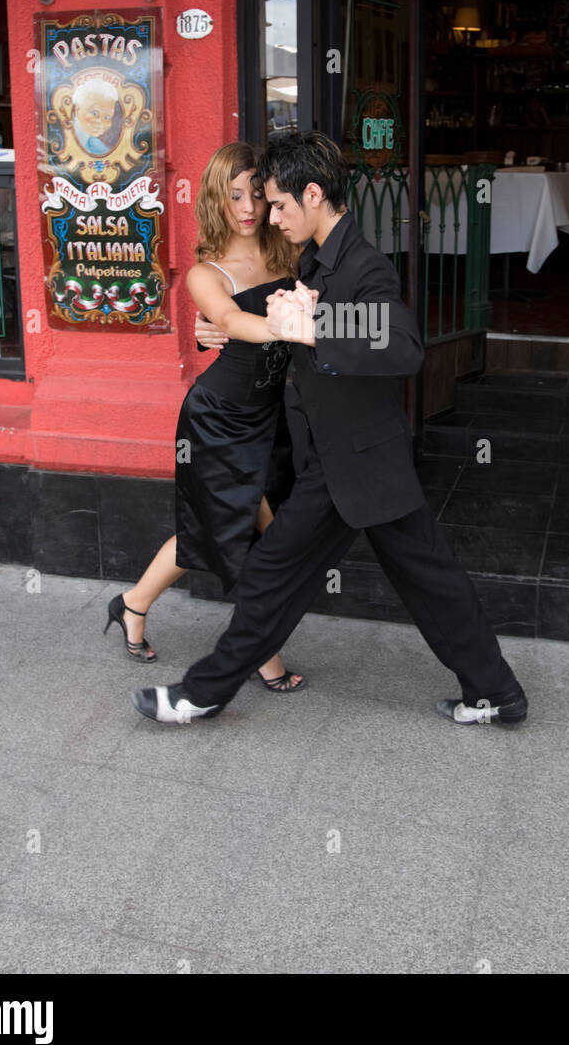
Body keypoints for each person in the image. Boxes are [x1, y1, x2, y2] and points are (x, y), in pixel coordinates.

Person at [132, 130, 527, 728]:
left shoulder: (362, 263)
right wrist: (215, 332)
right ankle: (497, 694)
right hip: (338, 463)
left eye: (281, 204)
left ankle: (198, 694)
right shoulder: (315, 258)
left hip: (364, 461)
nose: (271, 215)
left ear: (312, 194)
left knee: (421, 582)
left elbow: (402, 344)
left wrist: (314, 329)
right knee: (372, 578)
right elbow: (263, 320)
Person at [104, 141, 304, 692]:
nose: (247, 207)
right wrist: (282, 328)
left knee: (208, 530)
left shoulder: (287, 250)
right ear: (215, 200)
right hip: (218, 420)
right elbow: (229, 318)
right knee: (249, 533)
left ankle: (131, 604)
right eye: (233, 195)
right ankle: (263, 654)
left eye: (257, 195)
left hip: (271, 417)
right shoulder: (203, 272)